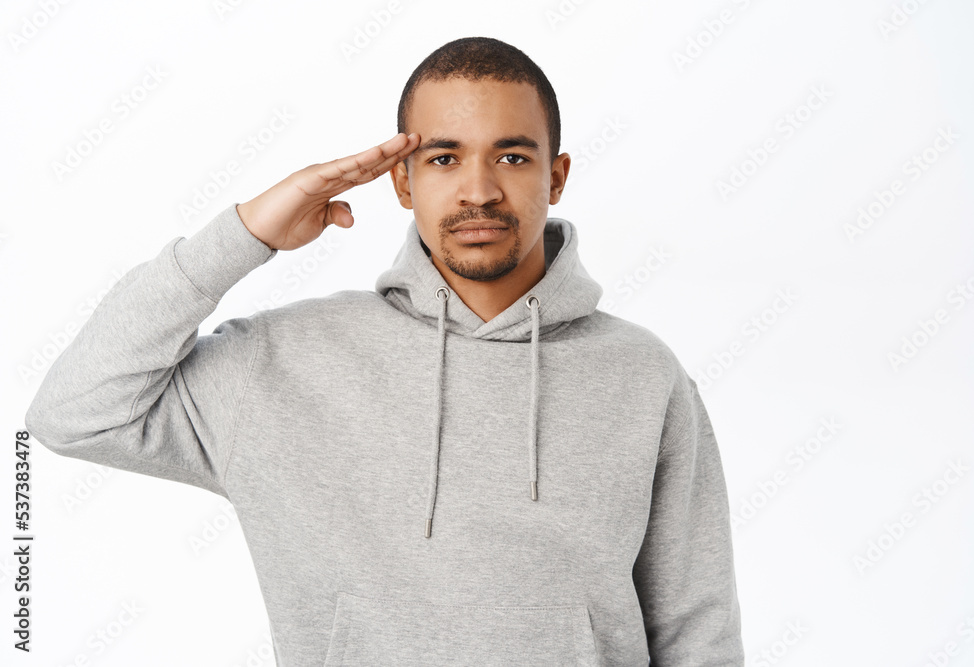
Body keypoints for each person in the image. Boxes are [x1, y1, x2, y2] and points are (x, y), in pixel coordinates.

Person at [25, 36, 744, 666]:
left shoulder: (642, 374)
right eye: (444, 157)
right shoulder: (279, 362)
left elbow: (695, 627)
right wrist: (246, 234)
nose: (479, 190)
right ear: (403, 179)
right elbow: (75, 413)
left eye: (512, 156)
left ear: (554, 176)